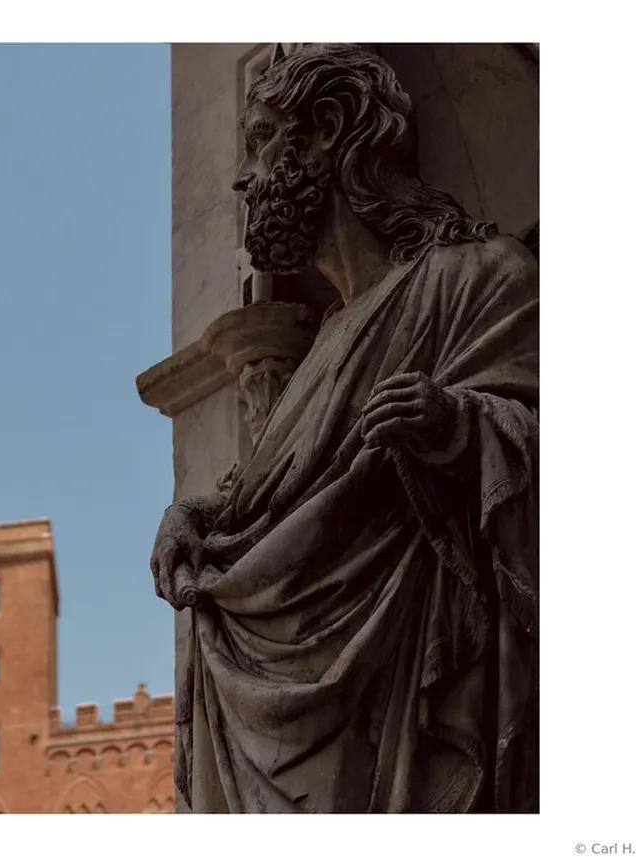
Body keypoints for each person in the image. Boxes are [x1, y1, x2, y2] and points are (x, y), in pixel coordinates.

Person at [149, 43, 538, 812]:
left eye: (260, 141)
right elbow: (266, 505)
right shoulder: (320, 351)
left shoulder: (476, 280)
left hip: (415, 712)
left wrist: (460, 426)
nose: (241, 176)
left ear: (325, 129)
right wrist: (195, 516)